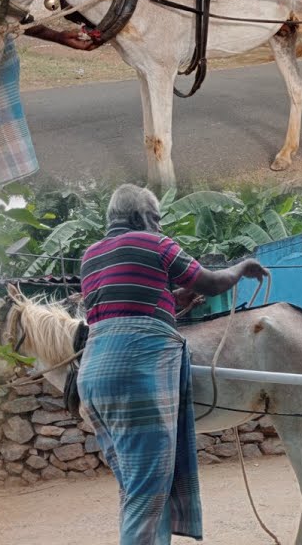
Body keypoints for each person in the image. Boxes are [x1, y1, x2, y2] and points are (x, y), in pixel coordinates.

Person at [78, 183, 269, 545]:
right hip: (137, 369)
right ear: (142, 217)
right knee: (145, 497)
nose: (160, 227)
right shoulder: (155, 243)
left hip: (94, 375)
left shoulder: (91, 255)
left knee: (136, 490)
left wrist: (175, 297)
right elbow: (213, 283)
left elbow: (127, 306)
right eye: (157, 219)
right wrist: (242, 266)